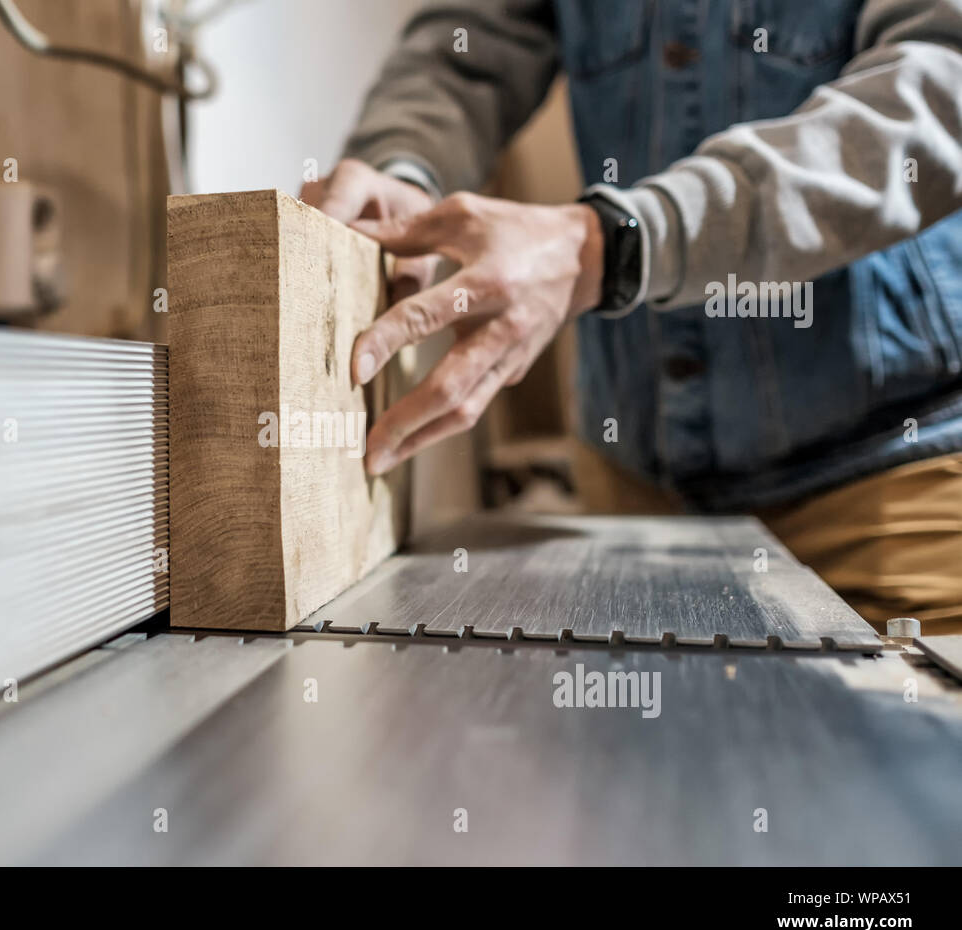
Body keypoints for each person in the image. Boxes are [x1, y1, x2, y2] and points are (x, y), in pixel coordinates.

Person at [304, 0, 962, 634]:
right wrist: (407, 175)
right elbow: (465, 47)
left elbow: (939, 86)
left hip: (889, 480)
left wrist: (615, 244)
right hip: (634, 485)